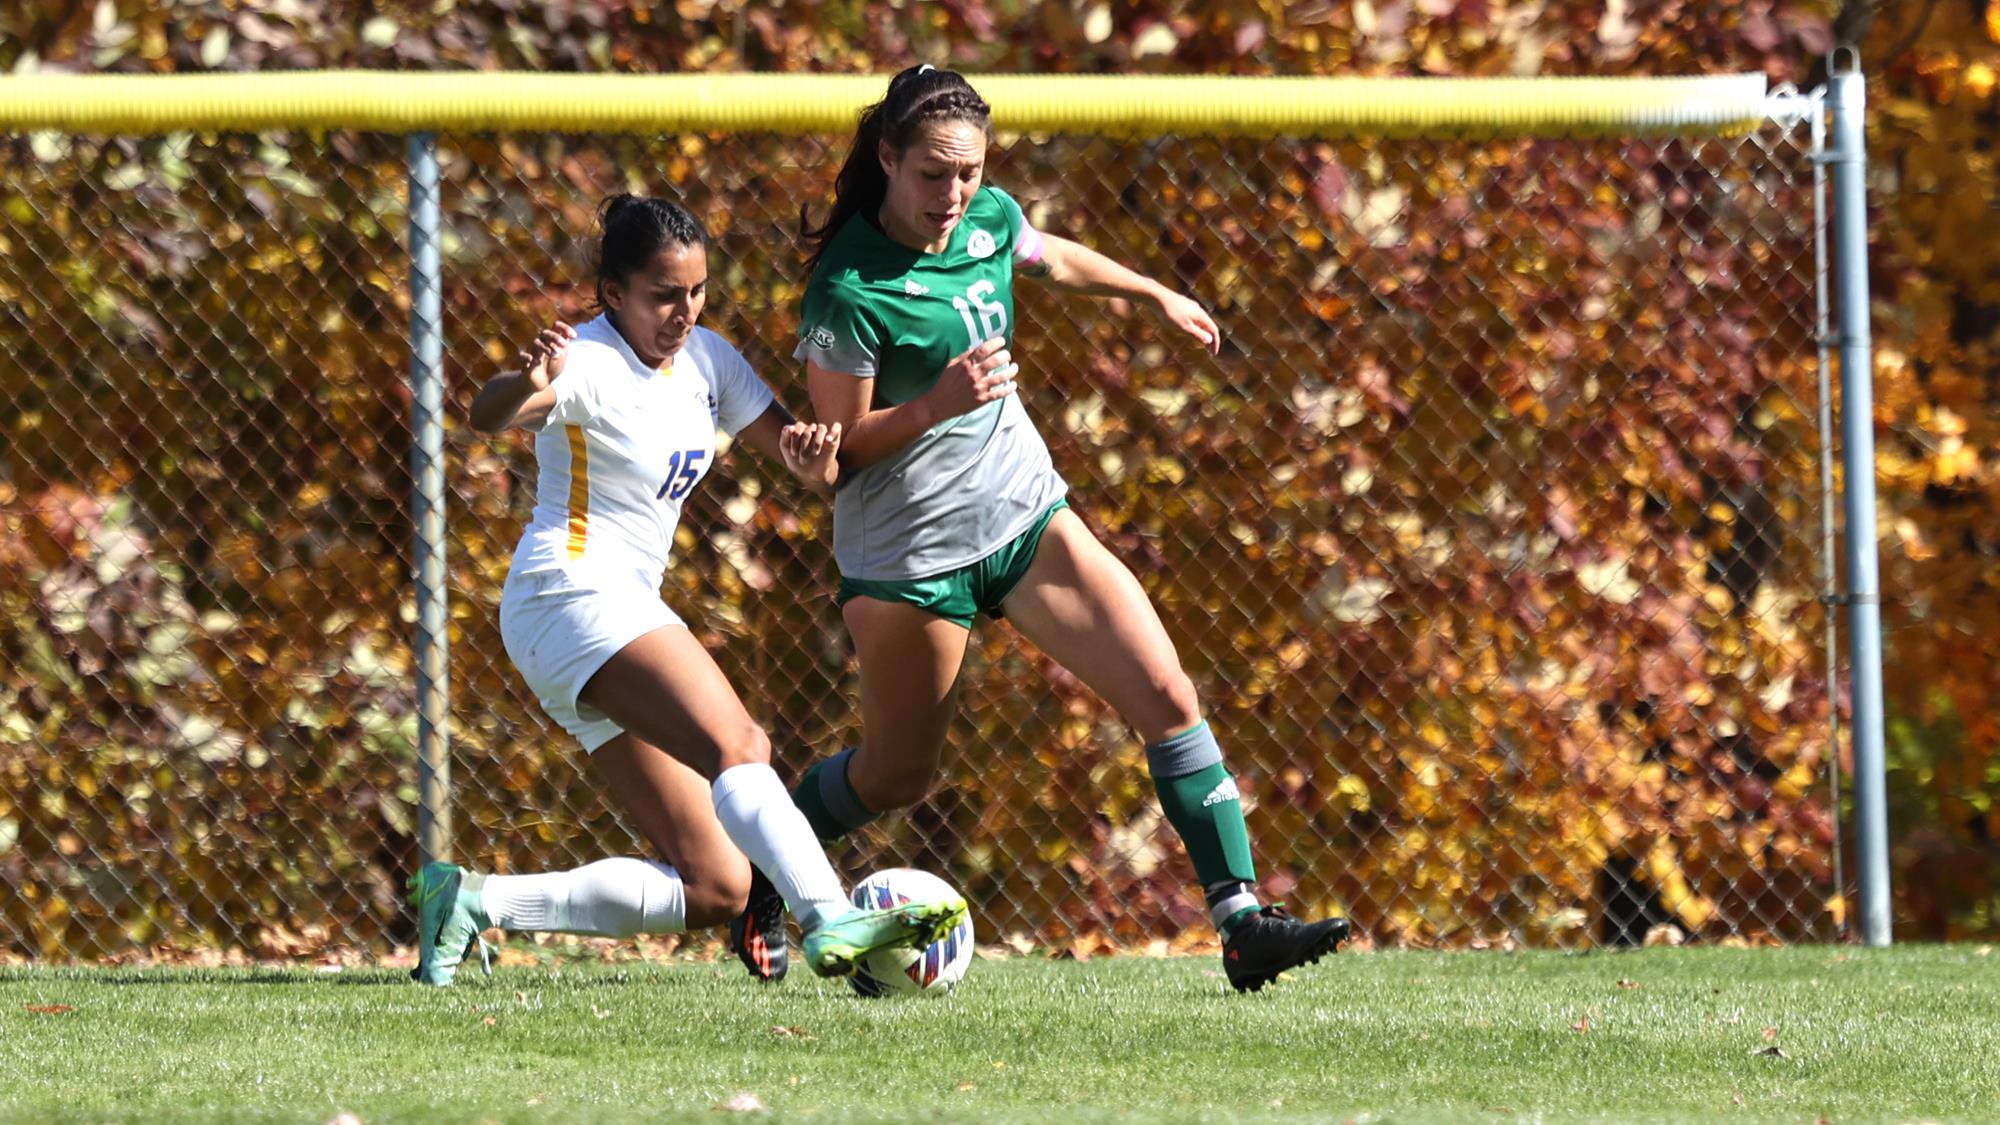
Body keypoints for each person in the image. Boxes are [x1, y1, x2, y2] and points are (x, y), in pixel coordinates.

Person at [749, 64, 1351, 994]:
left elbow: (1046, 254)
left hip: (1024, 513)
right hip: (912, 558)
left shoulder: (985, 215)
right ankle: (763, 867)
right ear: (887, 158)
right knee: (897, 774)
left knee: (1166, 690)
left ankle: (1242, 921)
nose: (954, 195)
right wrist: (938, 402)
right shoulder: (848, 287)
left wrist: (1151, 292)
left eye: (970, 172)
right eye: (933, 173)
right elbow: (843, 456)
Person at [409, 193, 965, 987]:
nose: (684, 310)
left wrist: (810, 458)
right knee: (740, 747)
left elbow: (800, 455)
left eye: (697, 290)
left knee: (716, 882)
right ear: (612, 295)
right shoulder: (590, 359)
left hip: (600, 613)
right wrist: (521, 380)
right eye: (663, 294)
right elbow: (491, 411)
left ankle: (472, 899)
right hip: (569, 592)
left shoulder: (709, 359)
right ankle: (829, 916)